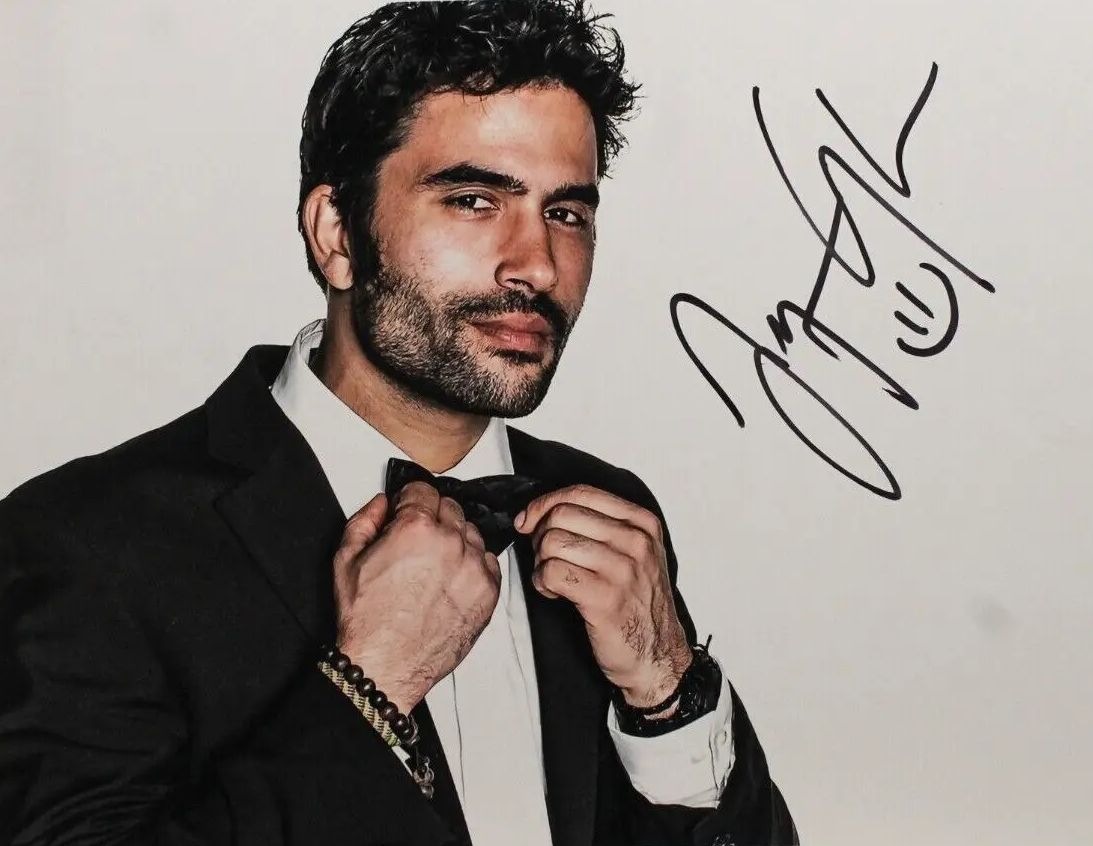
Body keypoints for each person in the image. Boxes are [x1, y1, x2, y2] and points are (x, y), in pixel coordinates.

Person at [0, 2, 796, 844]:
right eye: (473, 200)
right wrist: (368, 689)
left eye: (566, 213)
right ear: (337, 234)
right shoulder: (82, 544)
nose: (536, 265)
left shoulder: (606, 509)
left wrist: (668, 697)